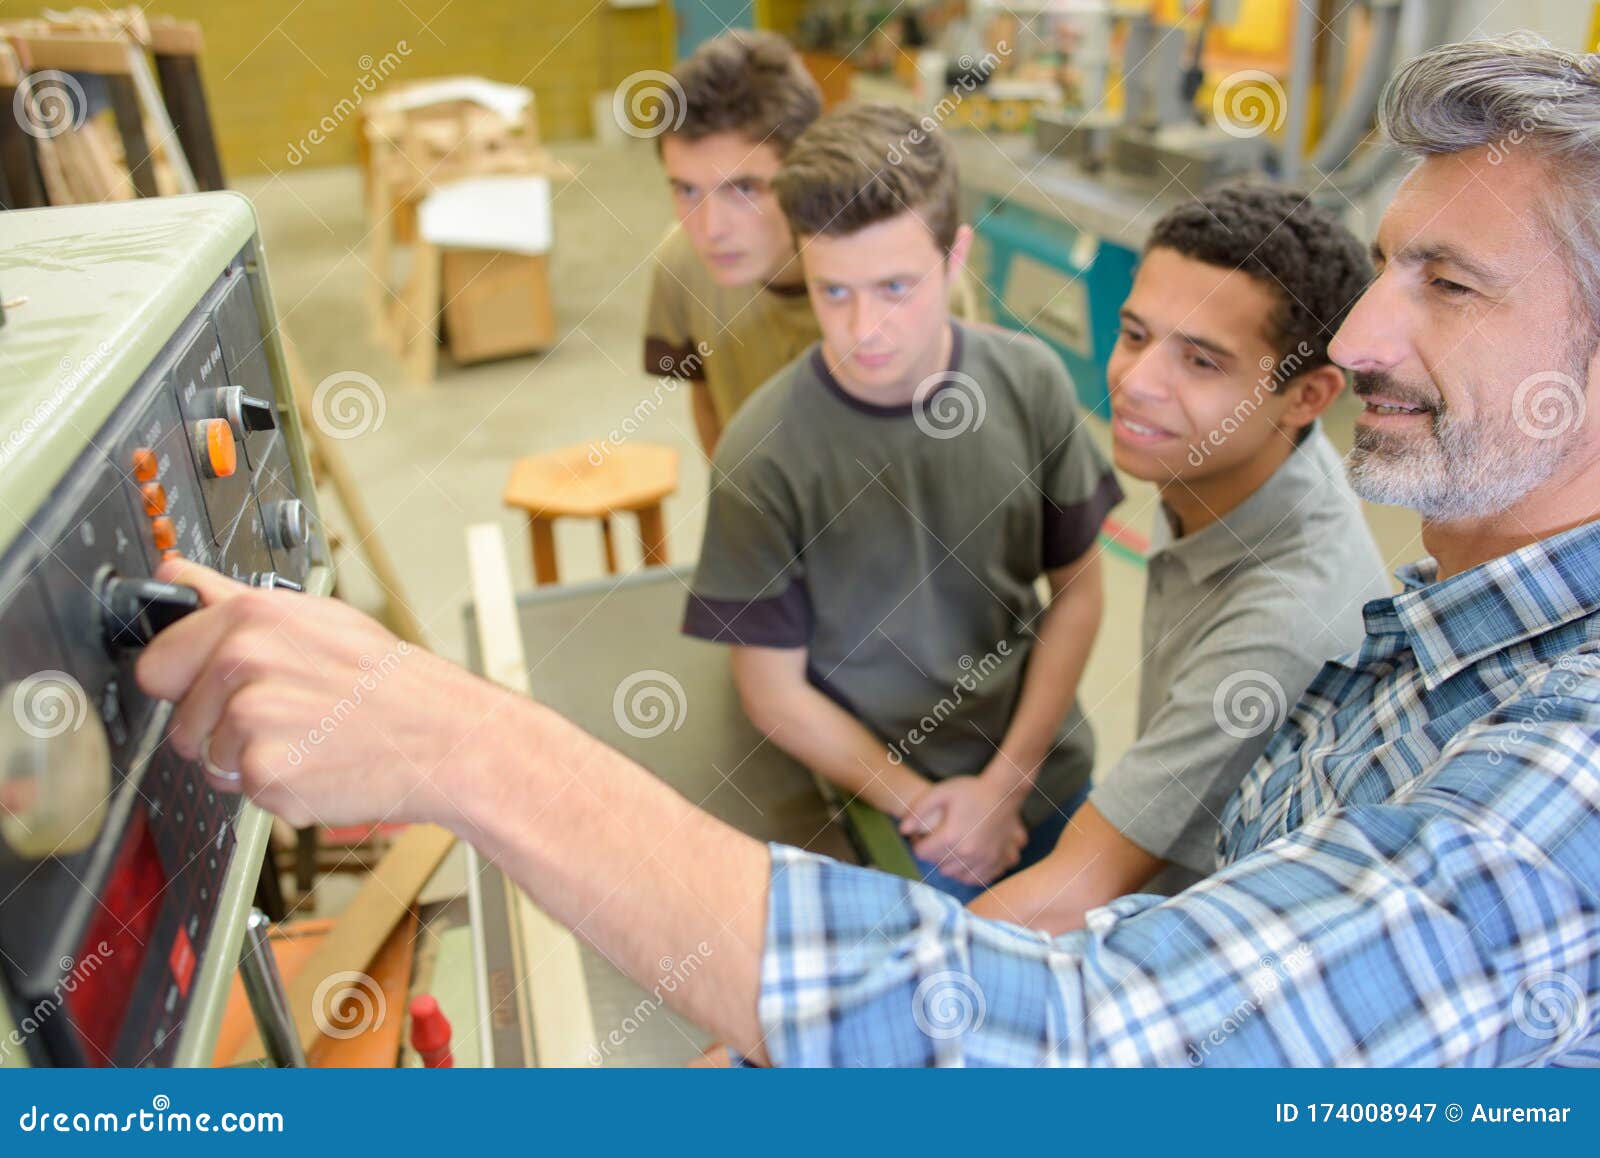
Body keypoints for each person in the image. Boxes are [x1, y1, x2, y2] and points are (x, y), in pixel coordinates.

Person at [140, 35, 1600, 1065]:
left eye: (1452, 283)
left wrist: (466, 743)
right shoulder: (1425, 613)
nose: (1365, 335)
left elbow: (1096, 1036)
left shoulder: (1546, 800)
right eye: (1387, 265)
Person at [682, 103, 1122, 900]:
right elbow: (771, 690)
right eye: (833, 291)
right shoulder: (762, 454)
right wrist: (928, 809)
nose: (864, 327)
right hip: (899, 821)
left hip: (1047, 775)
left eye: (895, 286)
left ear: (957, 256)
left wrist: (1005, 789)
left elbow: (1080, 592)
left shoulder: (1032, 385)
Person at [969, 185, 1392, 931]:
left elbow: (1076, 889)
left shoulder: (1282, 621)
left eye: (1200, 361)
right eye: (1135, 335)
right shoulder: (1231, 464)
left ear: (1307, 396)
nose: (1135, 384)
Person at [642, 30, 823, 456]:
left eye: (743, 189)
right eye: (687, 190)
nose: (710, 230)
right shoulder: (682, 263)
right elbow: (707, 395)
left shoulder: (901, 275)